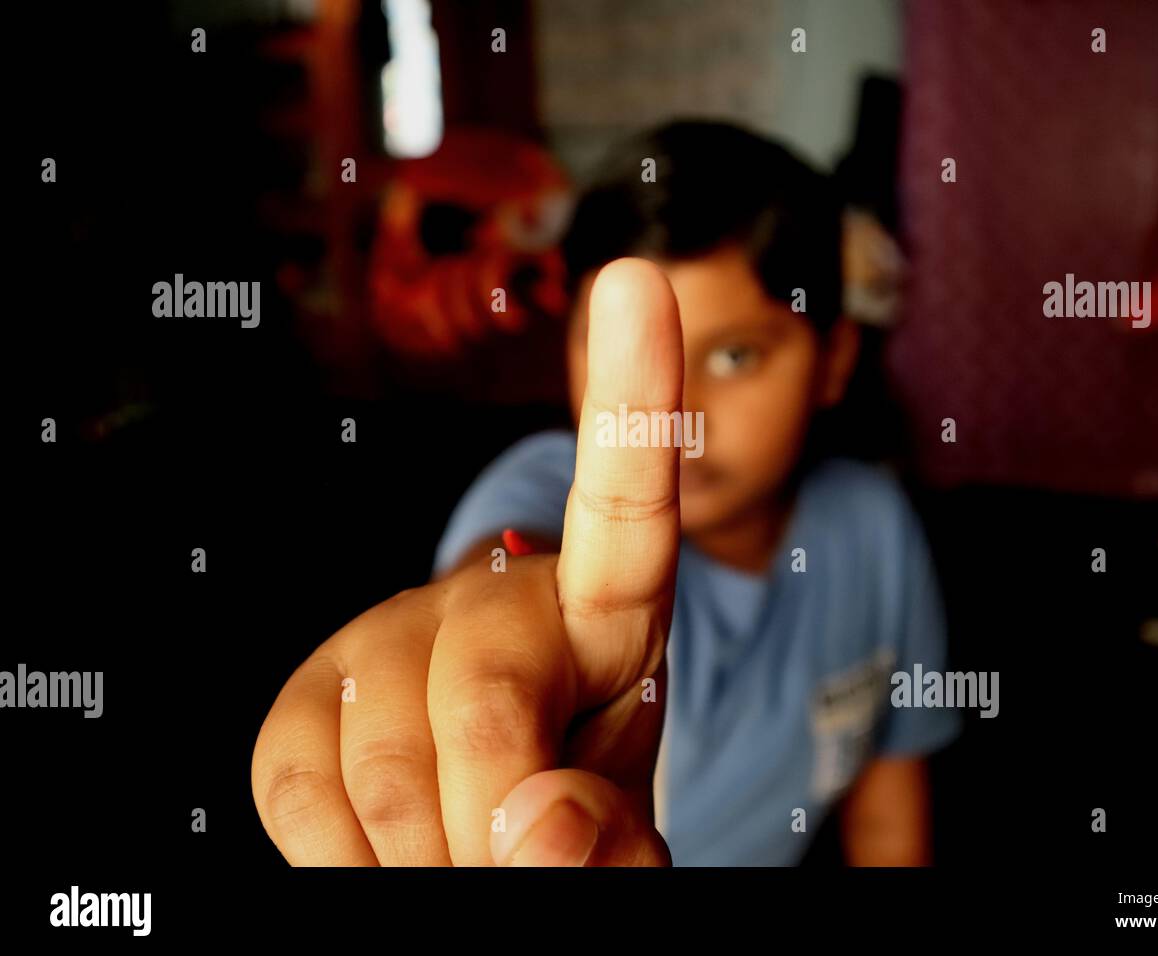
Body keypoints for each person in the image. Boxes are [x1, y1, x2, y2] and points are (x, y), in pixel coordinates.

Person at [251, 120, 959, 866]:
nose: (677, 411)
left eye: (736, 354)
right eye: (622, 344)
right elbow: (507, 578)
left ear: (834, 361)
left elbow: (888, 805)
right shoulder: (544, 486)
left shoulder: (875, 527)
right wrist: (479, 640)